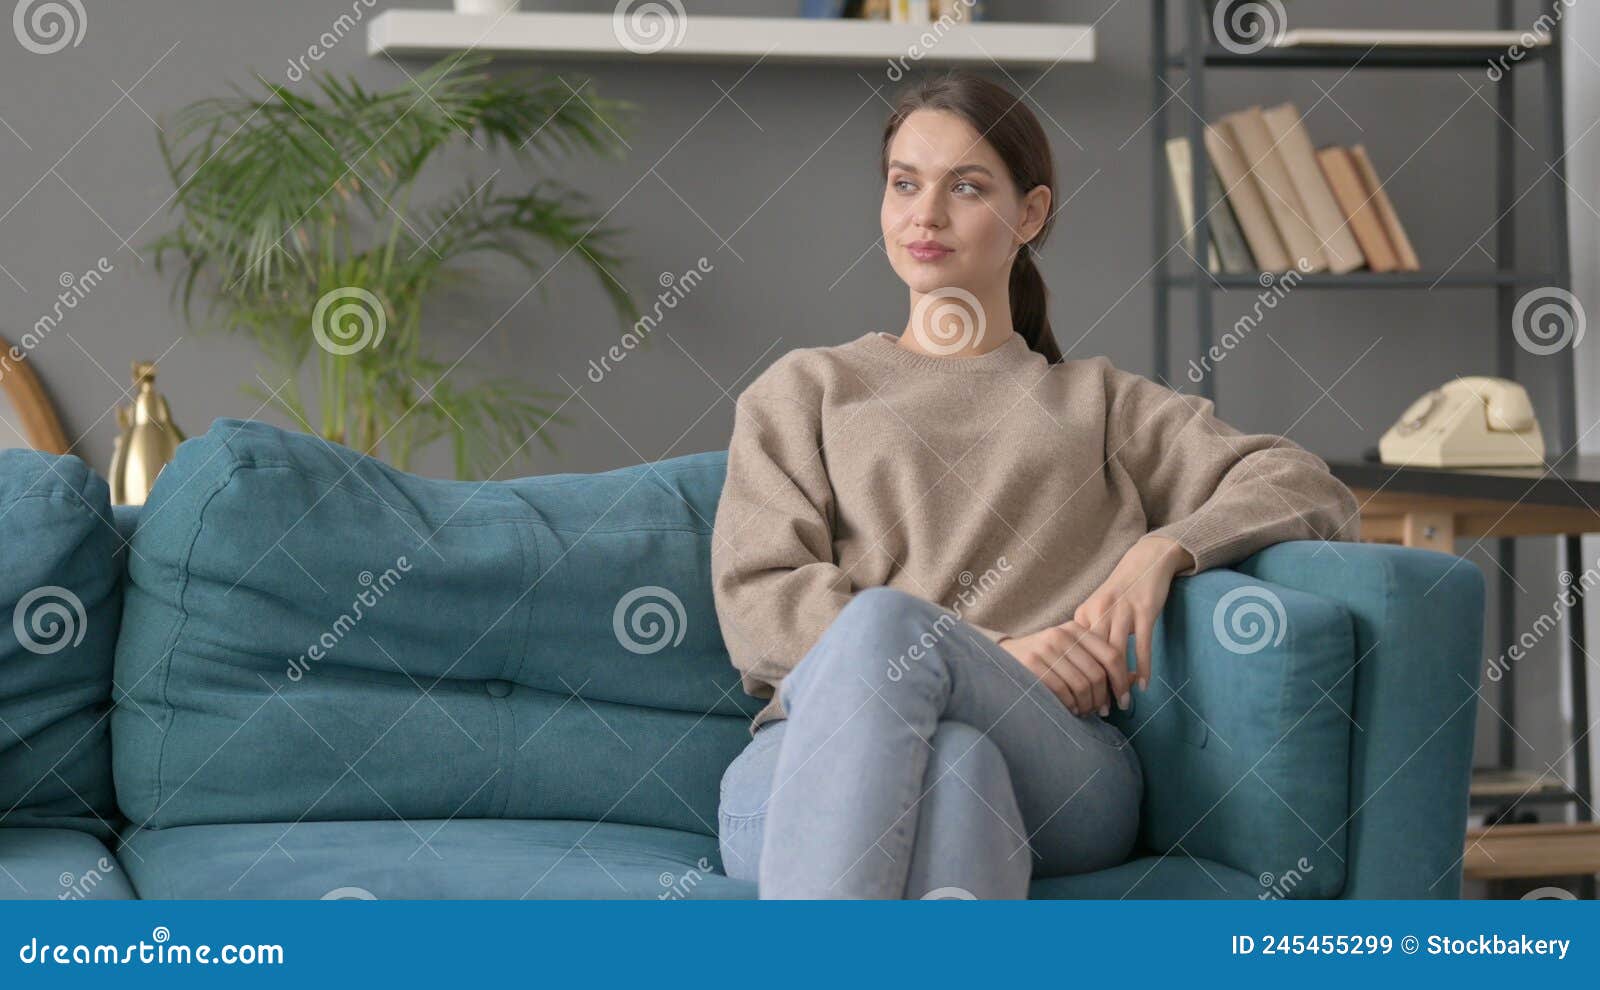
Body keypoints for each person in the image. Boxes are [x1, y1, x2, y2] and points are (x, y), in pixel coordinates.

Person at [709, 69, 1361, 900]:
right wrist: (999, 656)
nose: (925, 214)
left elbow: (1306, 485)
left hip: (1056, 763)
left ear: (1030, 214)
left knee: (901, 655)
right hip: (808, 755)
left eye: (966, 187)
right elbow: (760, 607)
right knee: (951, 760)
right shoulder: (805, 390)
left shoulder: (1099, 404)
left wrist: (1165, 548)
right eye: (904, 184)